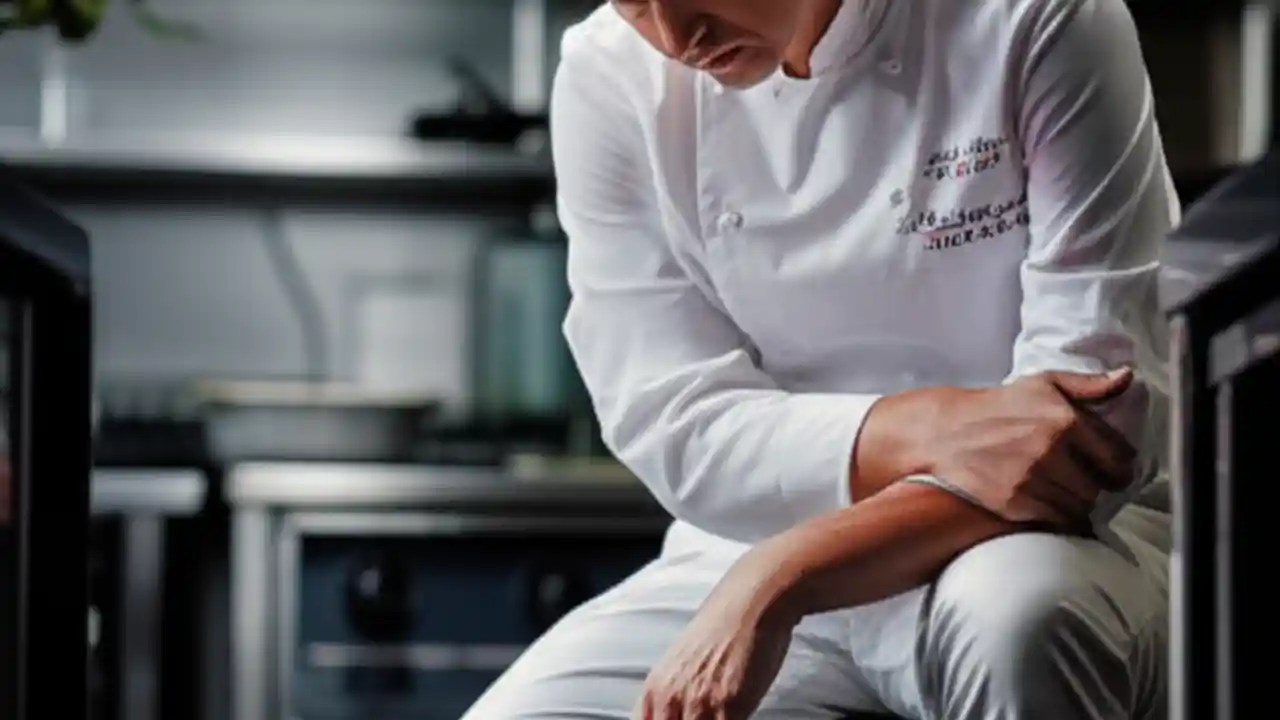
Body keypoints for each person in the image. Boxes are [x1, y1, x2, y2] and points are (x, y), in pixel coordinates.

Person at [463, 0, 1177, 717]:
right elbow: (674, 418)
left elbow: (1092, 435)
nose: (676, 38)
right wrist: (930, 428)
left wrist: (784, 573)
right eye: (634, 3)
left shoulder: (1038, 17)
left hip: (1039, 538)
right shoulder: (609, 71)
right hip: (739, 540)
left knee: (1021, 623)